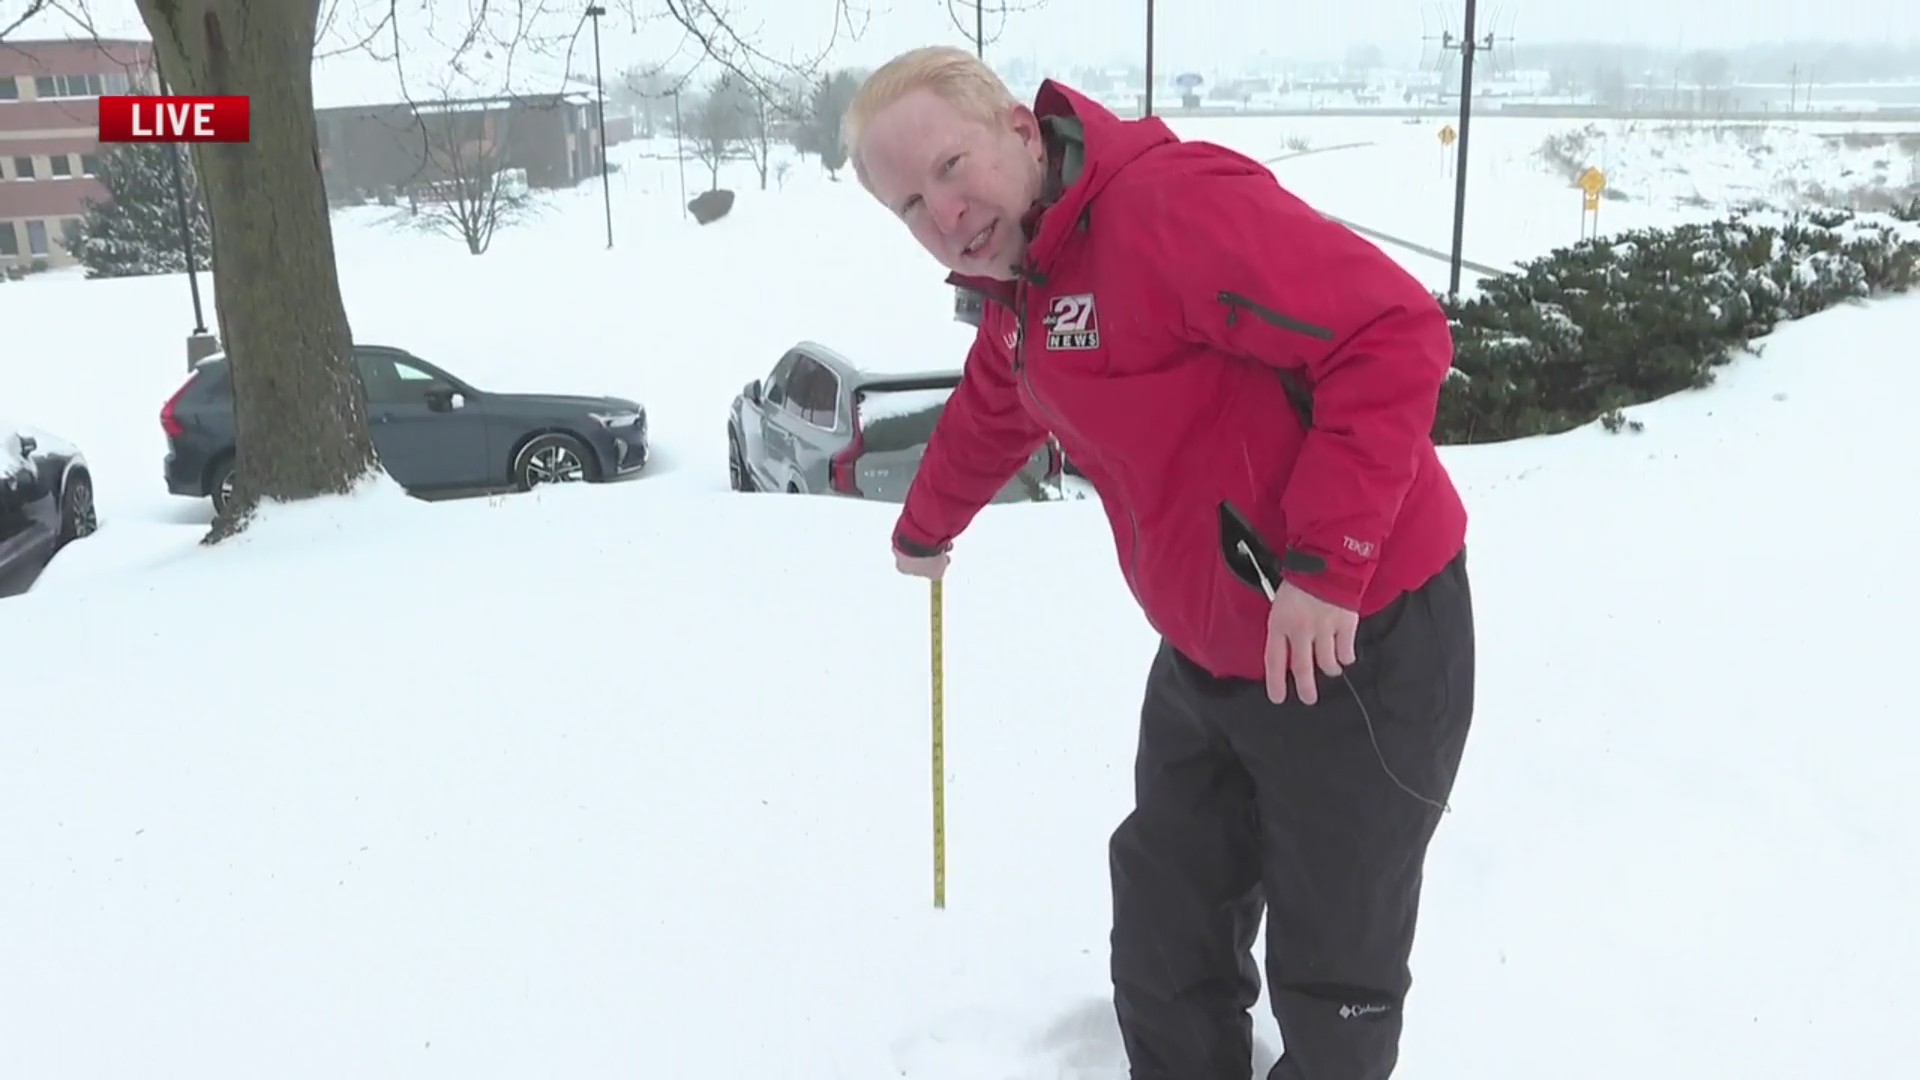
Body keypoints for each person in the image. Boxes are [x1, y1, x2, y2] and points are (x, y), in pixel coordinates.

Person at [842, 45, 1476, 1080]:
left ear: (1016, 125)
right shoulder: (1025, 285)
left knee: (1333, 978)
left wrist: (1326, 567)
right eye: (910, 203)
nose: (943, 215)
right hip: (1210, 650)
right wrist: (927, 523)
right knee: (1165, 933)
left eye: (951, 168)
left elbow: (1390, 331)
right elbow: (999, 404)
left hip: (1360, 641)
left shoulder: (1166, 212)